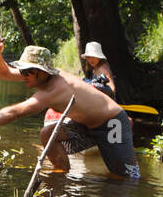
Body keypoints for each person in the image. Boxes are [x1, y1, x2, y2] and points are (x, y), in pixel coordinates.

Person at [0, 41, 140, 179]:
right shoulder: (37, 75)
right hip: (84, 123)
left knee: (125, 176)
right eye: (22, 71)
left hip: (112, 123)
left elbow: (14, 113)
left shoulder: (53, 90)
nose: (23, 76)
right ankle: (62, 178)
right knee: (48, 133)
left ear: (42, 72)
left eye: (27, 72)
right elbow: (3, 73)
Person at [38, 40, 116, 170]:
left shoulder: (103, 68)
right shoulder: (96, 69)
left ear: (99, 56)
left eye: (93, 56)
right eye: (88, 57)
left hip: (103, 109)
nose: (90, 59)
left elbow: (111, 90)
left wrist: (98, 89)